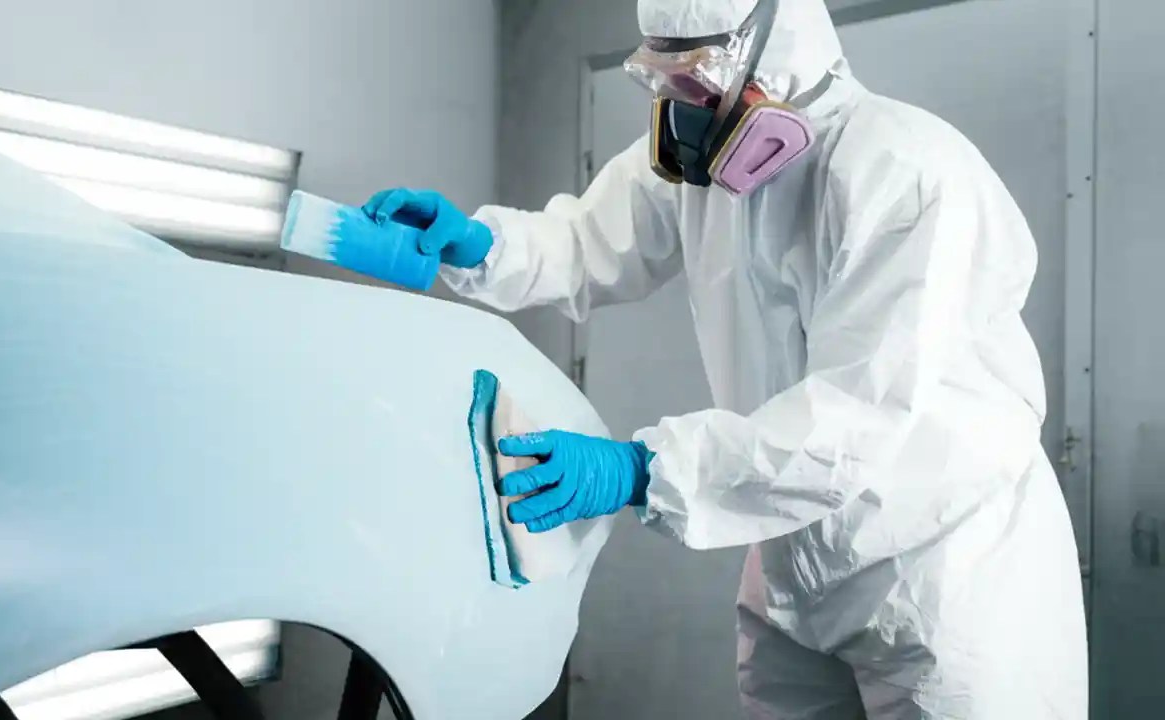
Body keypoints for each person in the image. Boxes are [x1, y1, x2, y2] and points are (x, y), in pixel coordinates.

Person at [362, 0, 1087, 716]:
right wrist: (479, 246)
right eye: (661, 77)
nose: (681, 104)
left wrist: (644, 469)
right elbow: (586, 242)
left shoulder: (902, 173)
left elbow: (851, 422)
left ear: (773, 53)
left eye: (697, 76)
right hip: (791, 561)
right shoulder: (701, 152)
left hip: (943, 567)